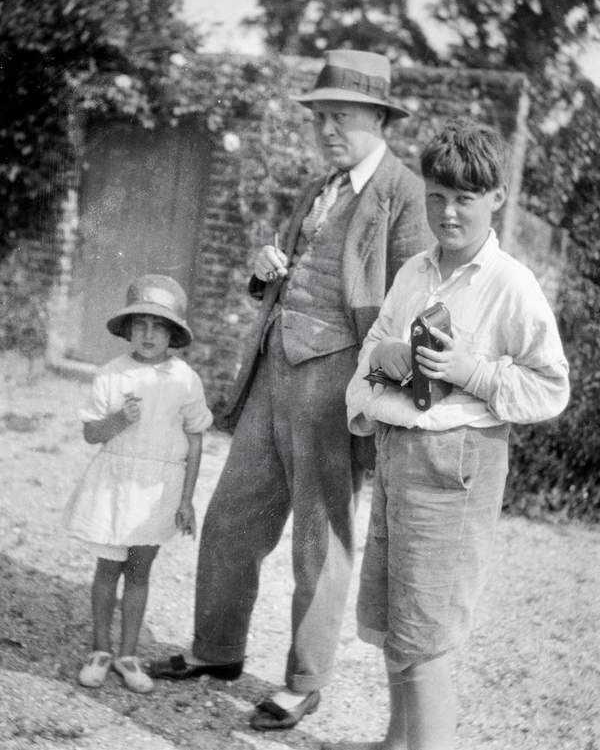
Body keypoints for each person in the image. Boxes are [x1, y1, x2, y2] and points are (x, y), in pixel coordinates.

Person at [149, 49, 430, 730]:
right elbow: (284, 276)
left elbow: (419, 299)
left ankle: (303, 680)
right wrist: (261, 269)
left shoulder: (404, 192)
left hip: (337, 386)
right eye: (321, 116)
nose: (329, 128)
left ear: (380, 119)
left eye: (343, 117)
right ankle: (217, 649)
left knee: (320, 537)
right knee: (231, 516)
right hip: (274, 372)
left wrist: (384, 391)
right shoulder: (318, 188)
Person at [323, 118, 570, 750]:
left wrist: (473, 371)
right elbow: (375, 344)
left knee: (427, 636)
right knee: (394, 622)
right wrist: (386, 360)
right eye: (437, 196)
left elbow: (550, 386)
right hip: (399, 454)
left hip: (457, 466)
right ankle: (396, 741)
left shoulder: (510, 283)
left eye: (465, 198)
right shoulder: (414, 271)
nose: (448, 212)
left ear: (496, 198)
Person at [63, 274, 213, 694]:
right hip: (115, 484)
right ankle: (100, 649)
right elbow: (91, 434)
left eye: (159, 326)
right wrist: (118, 420)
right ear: (128, 329)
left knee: (140, 570)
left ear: (174, 334)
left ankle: (128, 654)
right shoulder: (112, 373)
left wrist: (186, 499)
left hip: (157, 489)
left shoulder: (185, 379)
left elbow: (195, 439)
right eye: (140, 324)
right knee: (107, 568)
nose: (148, 334)